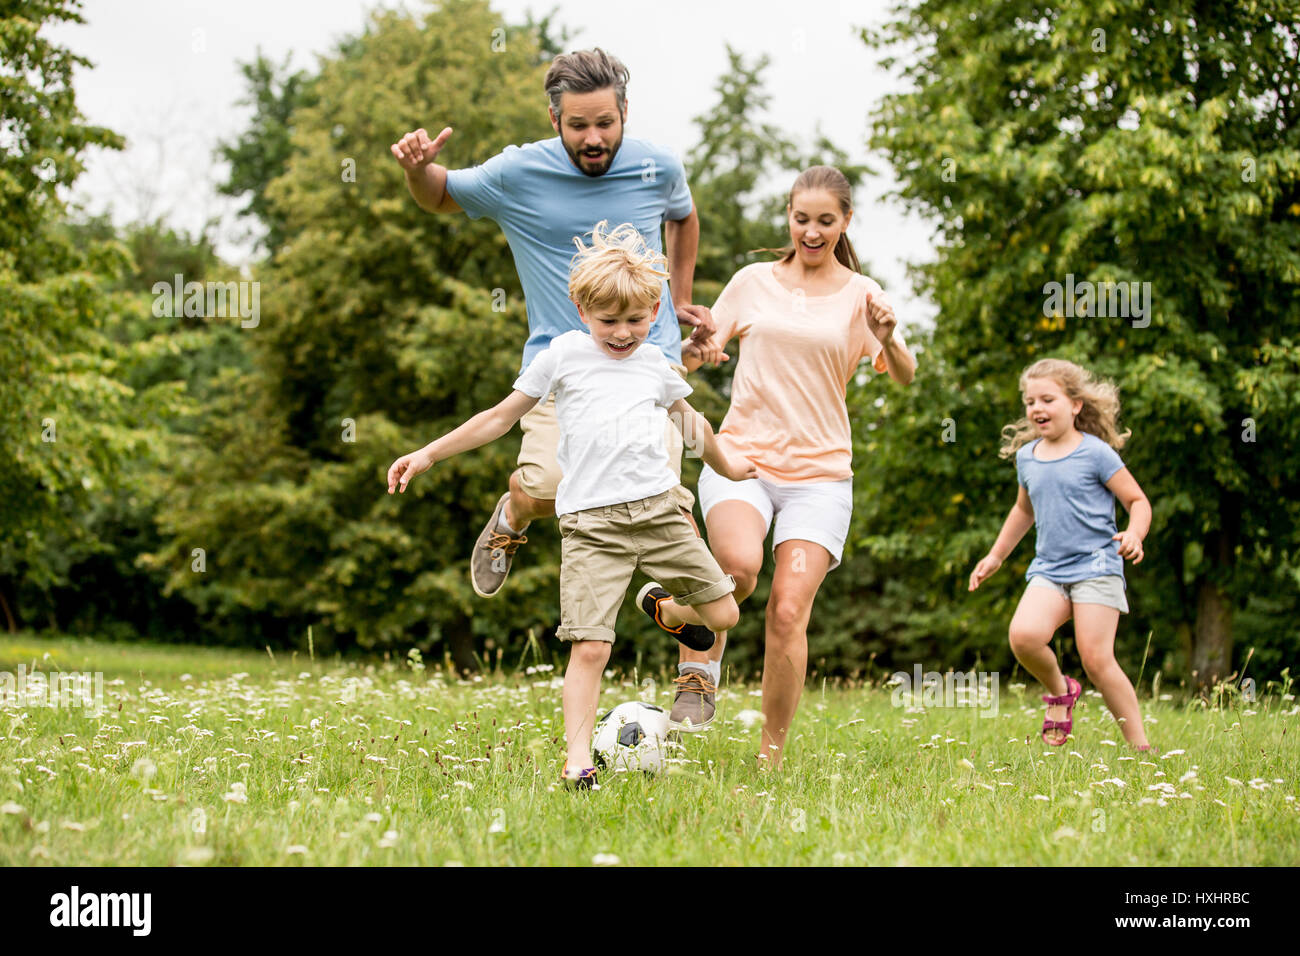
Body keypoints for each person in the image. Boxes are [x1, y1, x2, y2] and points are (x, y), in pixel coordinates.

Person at [386, 222, 755, 788]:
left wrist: (731, 466)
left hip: (658, 515)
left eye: (636, 320)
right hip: (592, 528)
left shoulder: (656, 364)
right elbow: (499, 417)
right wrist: (429, 453)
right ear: (581, 308)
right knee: (590, 647)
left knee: (724, 613)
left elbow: (691, 425)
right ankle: (577, 759)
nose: (623, 333)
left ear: (655, 310)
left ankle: (665, 608)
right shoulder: (562, 357)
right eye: (609, 321)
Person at [389, 48, 715, 600]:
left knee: (668, 507)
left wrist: (679, 297)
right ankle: (515, 508)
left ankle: (696, 676)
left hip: (648, 364)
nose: (594, 138)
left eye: (605, 123)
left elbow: (682, 214)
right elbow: (439, 195)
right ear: (554, 119)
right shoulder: (518, 172)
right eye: (579, 124)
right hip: (561, 372)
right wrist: (418, 170)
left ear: (625, 112)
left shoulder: (657, 166)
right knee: (551, 489)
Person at [667, 166, 916, 765]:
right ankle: (696, 657)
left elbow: (904, 375)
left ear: (845, 222)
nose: (811, 231)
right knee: (737, 567)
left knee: (786, 609)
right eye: (801, 219)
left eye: (825, 221)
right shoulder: (753, 281)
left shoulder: (863, 296)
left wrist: (892, 334)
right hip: (743, 457)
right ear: (788, 217)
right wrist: (697, 351)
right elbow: (696, 357)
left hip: (821, 477)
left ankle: (770, 754)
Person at [968, 358, 1154, 750]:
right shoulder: (1028, 458)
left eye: (1047, 399)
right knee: (1024, 636)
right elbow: (1023, 510)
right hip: (1050, 568)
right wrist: (995, 556)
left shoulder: (1096, 454)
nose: (1037, 408)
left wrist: (1135, 534)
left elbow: (1137, 500)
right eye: (1030, 401)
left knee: (1097, 659)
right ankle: (1060, 689)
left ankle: (1141, 748)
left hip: (1097, 565)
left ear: (1075, 405)